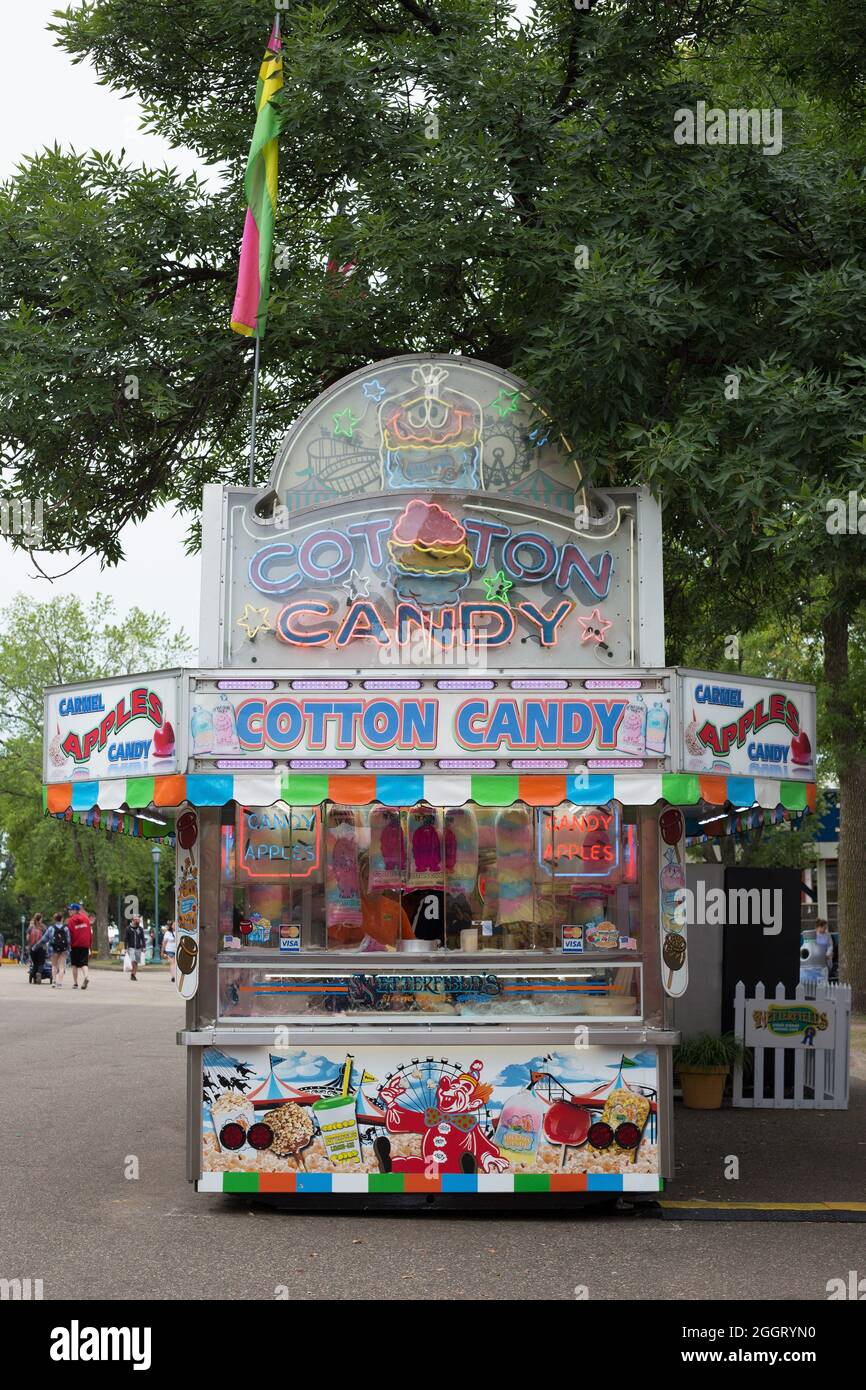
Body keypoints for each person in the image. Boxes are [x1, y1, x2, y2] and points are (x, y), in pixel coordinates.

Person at [66, 902, 93, 991]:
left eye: (70, 910)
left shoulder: (71, 920)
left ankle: (75, 983)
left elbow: (69, 934)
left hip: (75, 944)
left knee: (74, 964)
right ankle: (86, 977)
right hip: (85, 944)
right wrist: (89, 944)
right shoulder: (86, 919)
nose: (69, 911)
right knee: (84, 963)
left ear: (75, 910)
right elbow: (90, 932)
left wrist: (68, 944)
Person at [43, 912, 70, 988]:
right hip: (64, 949)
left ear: (54, 919)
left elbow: (44, 939)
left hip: (53, 949)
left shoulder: (51, 928)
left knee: (54, 966)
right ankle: (60, 983)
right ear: (62, 919)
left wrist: (36, 946)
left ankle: (54, 982)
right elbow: (68, 940)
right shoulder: (66, 928)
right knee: (61, 966)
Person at [125, 915, 146, 981]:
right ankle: (133, 973)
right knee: (133, 960)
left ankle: (133, 974)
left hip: (138, 947)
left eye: (138, 920)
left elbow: (143, 938)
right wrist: (125, 948)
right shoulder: (128, 928)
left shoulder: (140, 929)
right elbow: (126, 939)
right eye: (136, 919)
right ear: (132, 920)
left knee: (136, 961)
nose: (138, 921)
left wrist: (144, 947)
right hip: (131, 947)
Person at [27, 914, 46, 984]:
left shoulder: (30, 928)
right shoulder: (43, 927)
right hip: (41, 947)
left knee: (35, 963)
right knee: (41, 963)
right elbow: (46, 938)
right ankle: (39, 973)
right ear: (40, 919)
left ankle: (34, 976)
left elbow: (27, 938)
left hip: (32, 948)